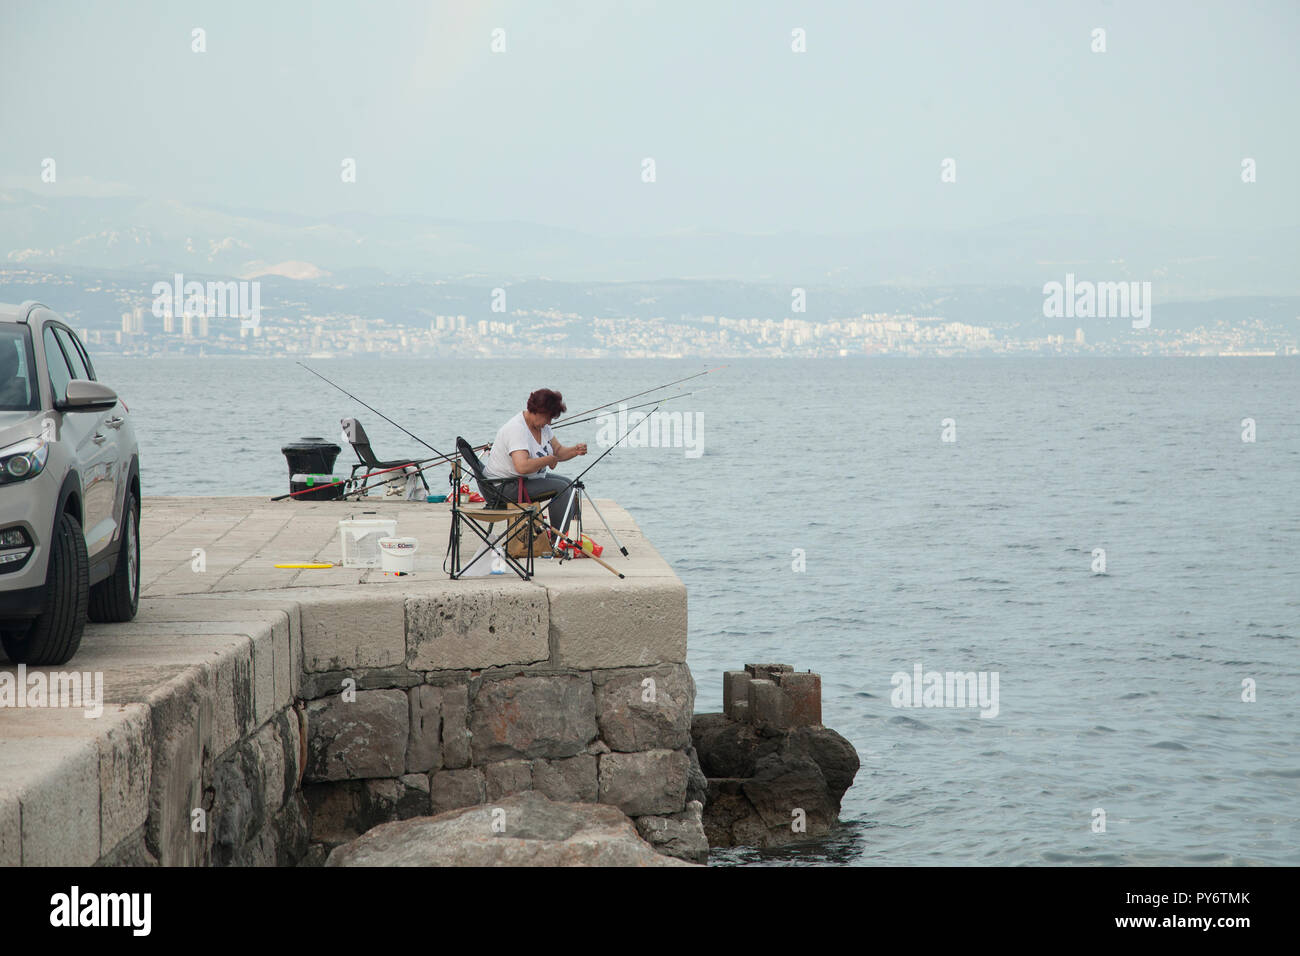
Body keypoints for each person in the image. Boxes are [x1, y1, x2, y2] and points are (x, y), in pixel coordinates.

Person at [480, 388, 588, 536]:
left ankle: (572, 535)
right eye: (548, 417)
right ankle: (558, 539)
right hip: (503, 487)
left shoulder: (543, 427)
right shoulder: (517, 429)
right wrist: (548, 460)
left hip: (523, 480)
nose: (550, 422)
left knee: (569, 483)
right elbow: (522, 466)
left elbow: (558, 452)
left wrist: (575, 450)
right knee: (561, 487)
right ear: (537, 411)